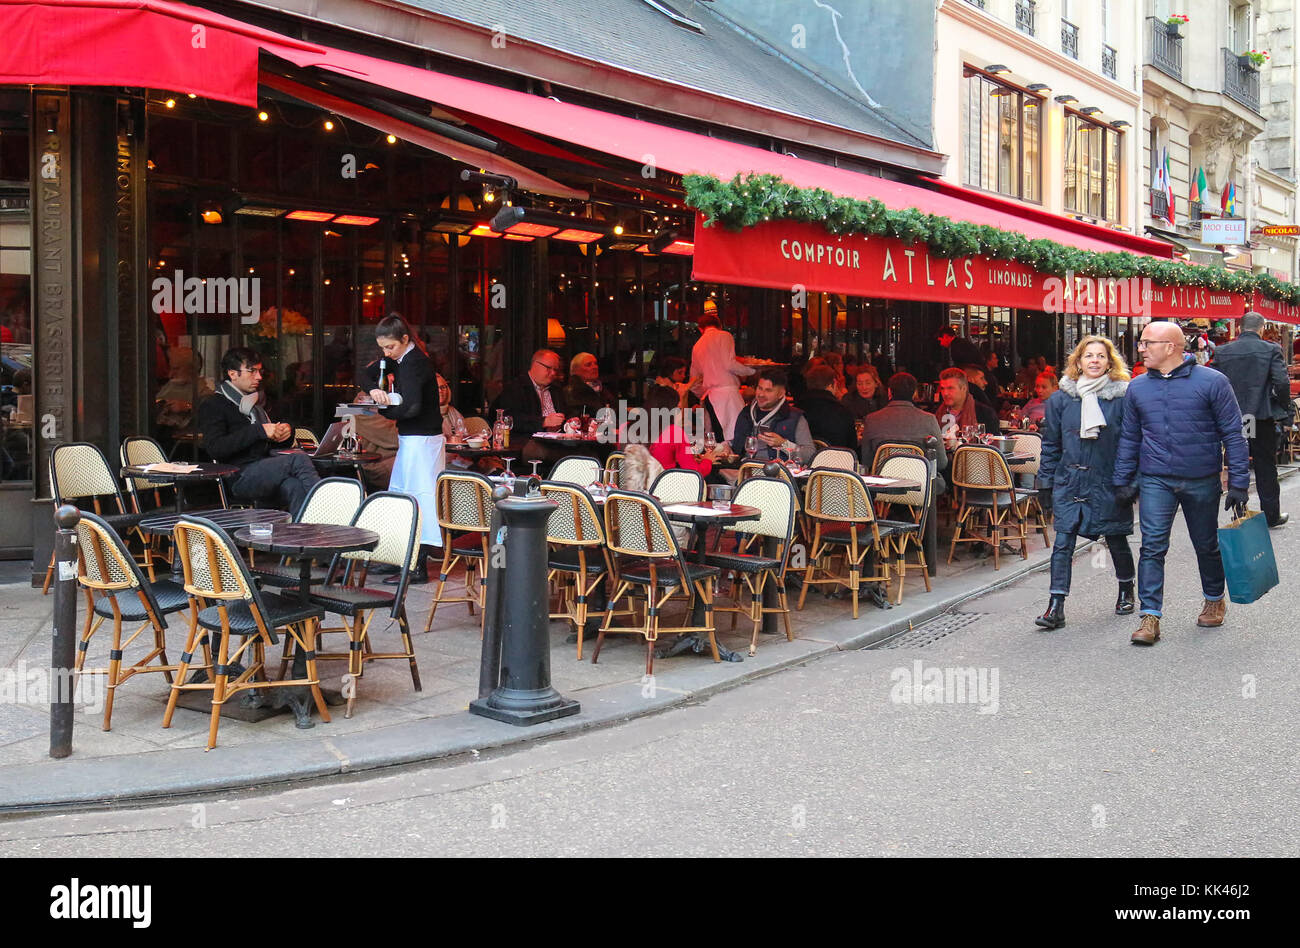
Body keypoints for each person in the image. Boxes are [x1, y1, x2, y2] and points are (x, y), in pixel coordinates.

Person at [1113, 321, 1251, 645]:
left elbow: (1234, 432)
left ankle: (1214, 598)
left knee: (1205, 544)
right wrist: (1122, 480)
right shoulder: (1137, 387)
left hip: (1201, 477)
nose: (1141, 348)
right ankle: (1150, 617)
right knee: (1152, 546)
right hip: (1155, 478)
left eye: (1147, 343)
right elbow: (1129, 437)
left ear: (1171, 347)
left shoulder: (1213, 382)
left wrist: (1239, 482)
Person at [1034, 337, 1135, 630]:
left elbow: (1131, 442)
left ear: (1109, 362)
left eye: (1100, 356)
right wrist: (1046, 483)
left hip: (1107, 481)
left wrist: (1129, 481)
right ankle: (1056, 605)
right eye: (1088, 356)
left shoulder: (1122, 398)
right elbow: (1051, 444)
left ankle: (1126, 588)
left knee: (1115, 538)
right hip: (1070, 481)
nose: (1094, 361)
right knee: (1063, 543)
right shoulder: (1060, 399)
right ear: (1078, 362)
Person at [363, 314, 444, 584]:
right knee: (401, 494)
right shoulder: (400, 360)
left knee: (419, 498)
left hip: (424, 439)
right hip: (412, 438)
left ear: (405, 340)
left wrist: (385, 410)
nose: (386, 353)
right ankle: (401, 557)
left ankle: (416, 564)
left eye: (390, 347)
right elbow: (365, 374)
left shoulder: (415, 363)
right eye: (383, 348)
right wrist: (375, 391)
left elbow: (412, 407)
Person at [197, 347, 320, 512]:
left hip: (264, 468)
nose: (259, 377)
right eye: (252, 371)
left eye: (260, 371)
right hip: (237, 476)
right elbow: (215, 448)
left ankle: (304, 533)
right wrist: (259, 431)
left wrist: (284, 434)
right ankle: (325, 508)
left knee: (295, 486)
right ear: (233, 374)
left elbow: (266, 443)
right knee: (298, 459)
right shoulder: (214, 404)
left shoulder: (253, 404)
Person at [1211, 311, 1290, 528]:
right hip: (1259, 415)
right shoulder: (1271, 349)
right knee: (1266, 467)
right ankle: (1271, 514)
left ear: (1239, 328)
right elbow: (1282, 383)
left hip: (1232, 416)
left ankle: (1239, 512)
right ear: (1262, 328)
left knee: (1238, 462)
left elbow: (1213, 383)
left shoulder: (1223, 351)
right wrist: (1283, 407)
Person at [860, 372, 948, 481]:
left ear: (889, 392)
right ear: (914, 393)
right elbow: (941, 463)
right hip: (920, 487)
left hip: (882, 485)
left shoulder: (872, 419)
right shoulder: (929, 419)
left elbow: (866, 461)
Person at [720, 368, 815, 465]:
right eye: (760, 388)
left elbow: (809, 455)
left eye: (768, 390)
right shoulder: (746, 413)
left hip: (777, 475)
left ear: (781, 393)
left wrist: (783, 444)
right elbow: (737, 443)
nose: (761, 394)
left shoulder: (794, 417)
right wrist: (726, 446)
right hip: (743, 472)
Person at [689, 310, 754, 441]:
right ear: (719, 325)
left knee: (717, 439)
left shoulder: (697, 346)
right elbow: (729, 364)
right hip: (727, 395)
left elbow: (694, 380)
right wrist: (751, 371)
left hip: (709, 397)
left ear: (701, 329)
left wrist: (703, 393)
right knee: (736, 437)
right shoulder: (725, 336)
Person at [492, 349, 568, 444]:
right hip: (528, 441)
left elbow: (565, 414)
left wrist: (570, 423)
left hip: (559, 439)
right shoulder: (516, 388)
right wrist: (543, 422)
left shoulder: (556, 389)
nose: (553, 373)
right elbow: (511, 419)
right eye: (548, 368)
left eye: (555, 370)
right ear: (535, 365)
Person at [644, 384, 714, 477]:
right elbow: (694, 474)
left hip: (628, 489)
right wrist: (707, 460)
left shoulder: (626, 428)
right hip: (661, 488)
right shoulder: (674, 433)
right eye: (679, 409)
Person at [934, 367, 999, 450]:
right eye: (942, 388)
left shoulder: (985, 413)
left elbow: (993, 447)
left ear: (964, 388)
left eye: (950, 388)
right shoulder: (936, 413)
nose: (945, 393)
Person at [798, 364, 858, 450]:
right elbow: (851, 449)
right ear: (832, 384)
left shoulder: (796, 410)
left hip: (802, 462)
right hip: (836, 461)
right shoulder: (842, 413)